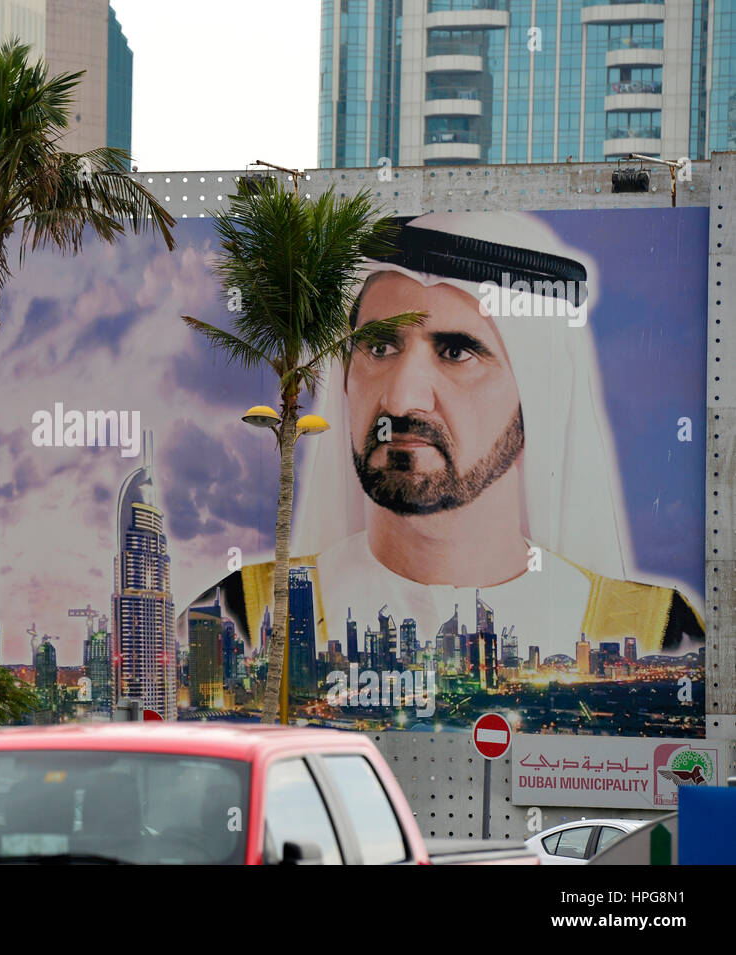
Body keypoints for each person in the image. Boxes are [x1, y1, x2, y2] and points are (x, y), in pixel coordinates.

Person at [213, 211, 702, 684]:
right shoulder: (242, 610)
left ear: (538, 396)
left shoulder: (658, 632)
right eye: (379, 347)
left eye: (456, 352)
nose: (402, 398)